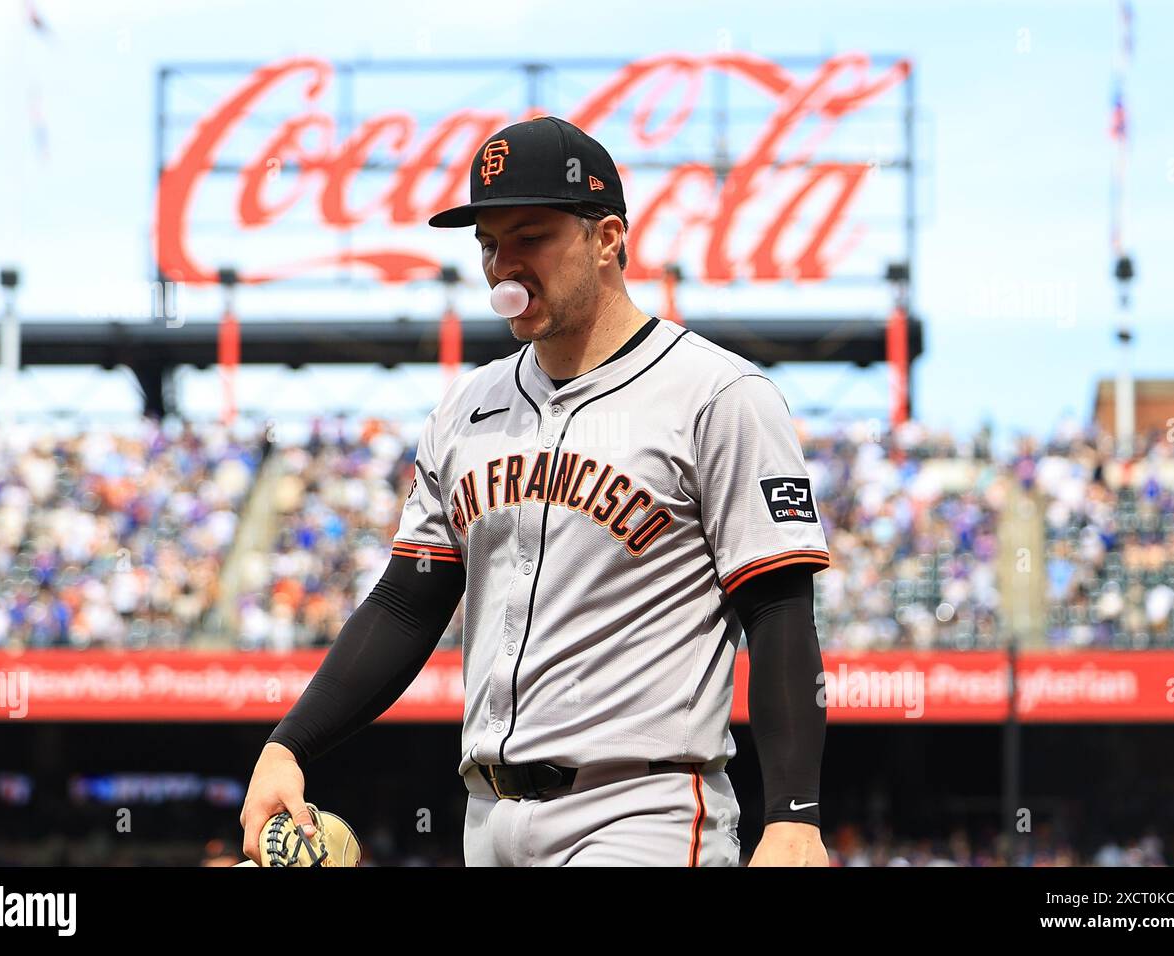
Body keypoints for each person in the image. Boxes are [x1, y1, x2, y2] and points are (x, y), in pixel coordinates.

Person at [240, 116, 831, 866]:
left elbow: (777, 610)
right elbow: (406, 604)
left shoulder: (718, 394)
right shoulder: (466, 408)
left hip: (639, 812)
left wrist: (794, 815)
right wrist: (289, 745)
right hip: (487, 817)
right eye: (488, 243)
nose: (503, 266)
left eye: (529, 237)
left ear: (607, 238)